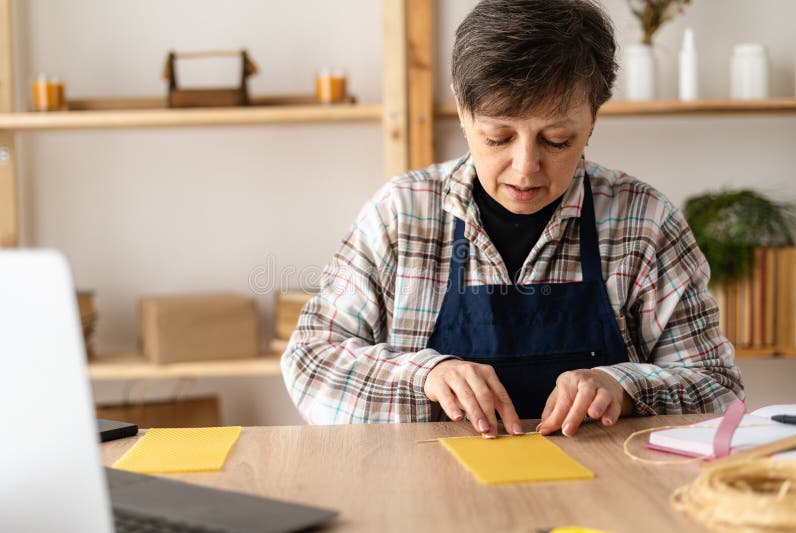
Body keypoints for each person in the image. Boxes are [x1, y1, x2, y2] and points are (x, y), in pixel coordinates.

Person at [281, 0, 744, 438]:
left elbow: (719, 389)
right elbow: (310, 362)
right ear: (464, 113)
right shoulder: (401, 214)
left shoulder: (644, 221)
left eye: (557, 140)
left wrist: (625, 388)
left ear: (593, 120)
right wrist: (425, 375)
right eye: (499, 137)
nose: (525, 167)